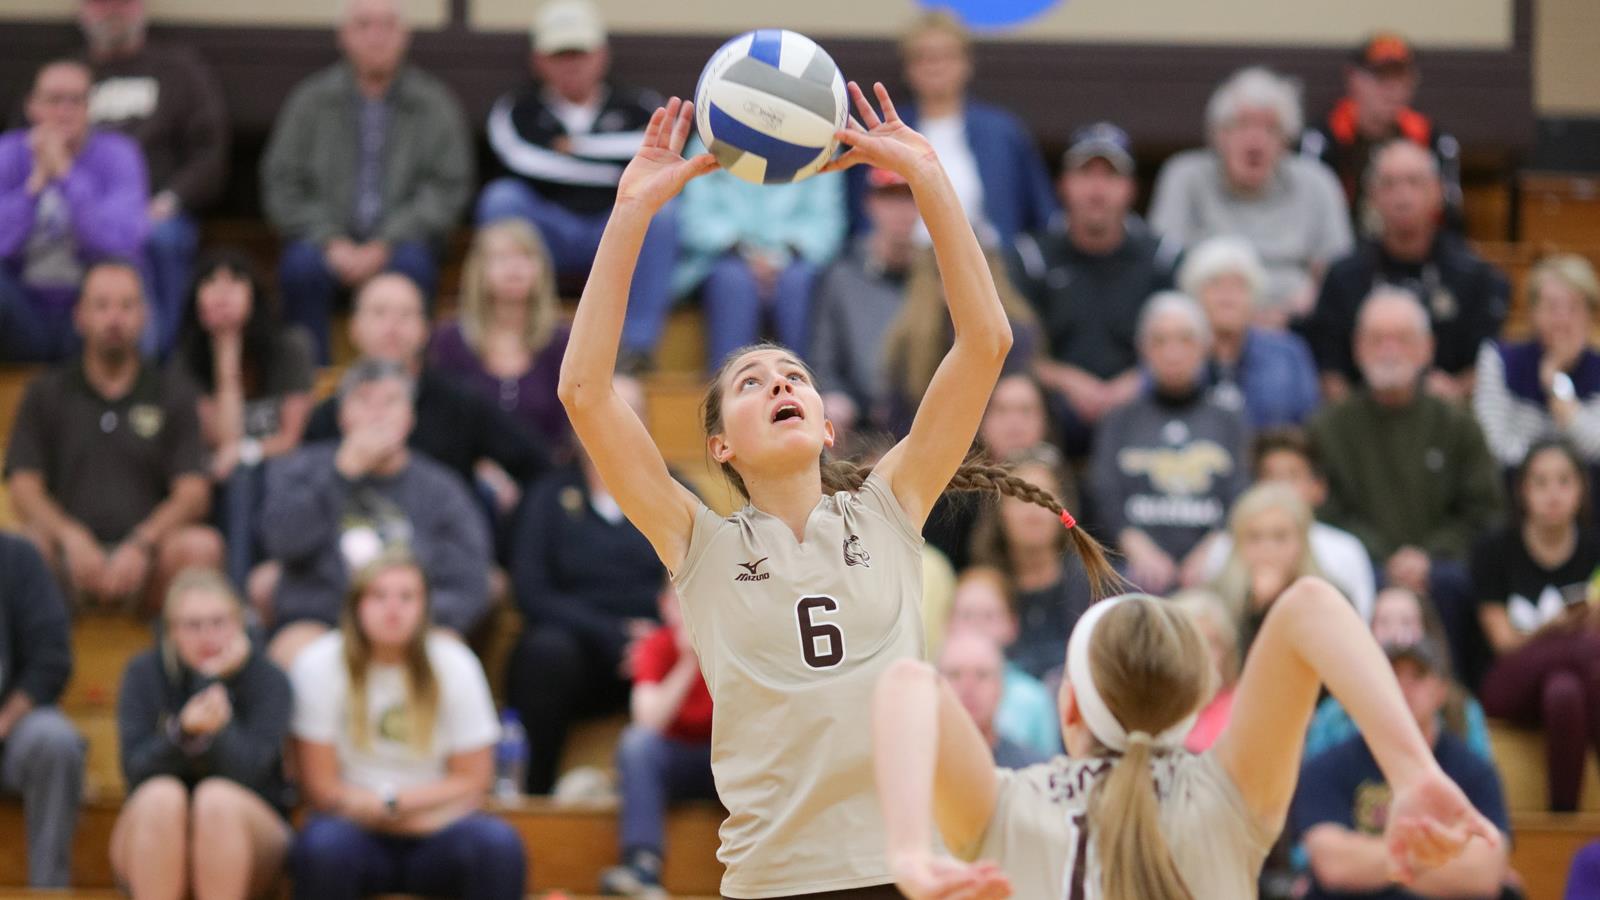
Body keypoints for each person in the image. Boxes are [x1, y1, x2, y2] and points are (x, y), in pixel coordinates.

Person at [558, 87, 1115, 899]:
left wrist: (929, 179)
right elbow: (586, 393)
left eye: (796, 375)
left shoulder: (891, 504)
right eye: (752, 381)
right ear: (720, 445)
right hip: (773, 880)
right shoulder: (697, 542)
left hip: (907, 872)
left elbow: (988, 341)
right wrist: (631, 215)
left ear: (824, 426)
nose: (780, 381)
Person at [872, 578, 1501, 899]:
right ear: (1195, 703)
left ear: (1069, 706)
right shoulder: (1228, 794)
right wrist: (1413, 771)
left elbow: (906, 682)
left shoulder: (1004, 805)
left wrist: (905, 852)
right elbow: (1310, 603)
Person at [288, 552, 526, 900]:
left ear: (425, 606)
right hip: (353, 831)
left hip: (437, 833)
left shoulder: (455, 664)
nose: (393, 609)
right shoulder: (319, 664)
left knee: (498, 845)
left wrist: (391, 803)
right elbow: (321, 789)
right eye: (379, 596)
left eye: (406, 596)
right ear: (356, 604)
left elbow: (474, 781)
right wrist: (395, 811)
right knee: (321, 847)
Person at [1310, 288, 1504, 686]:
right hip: (1363, 565)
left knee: (1455, 584)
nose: (1388, 349)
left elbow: (1484, 511)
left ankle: (1453, 704)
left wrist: (1429, 556)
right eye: (1376, 338)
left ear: (1426, 348)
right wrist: (1385, 557)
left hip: (1441, 569)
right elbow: (1325, 511)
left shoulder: (1458, 426)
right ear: (1357, 348)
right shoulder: (1328, 428)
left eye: (1402, 338)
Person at [261, 0, 473, 361]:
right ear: (343, 36)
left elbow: (448, 187)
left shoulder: (434, 104)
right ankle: (312, 385)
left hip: (401, 244)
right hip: (324, 243)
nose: (376, 37)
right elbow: (282, 184)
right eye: (363, 25)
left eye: (387, 26)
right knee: (299, 269)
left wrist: (386, 242)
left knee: (414, 267)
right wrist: (330, 240)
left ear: (404, 36)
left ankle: (406, 383)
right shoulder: (310, 102)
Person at [5, 261, 222, 609]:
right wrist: (69, 538)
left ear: (145, 316)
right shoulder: (46, 392)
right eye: (102, 306)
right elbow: (23, 485)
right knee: (23, 546)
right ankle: (36, 656)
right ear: (79, 316)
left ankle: (176, 657)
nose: (114, 318)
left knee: (200, 545)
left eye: (126, 305)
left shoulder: (173, 392)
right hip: (67, 563)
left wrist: (142, 543)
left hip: (148, 564)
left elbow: (194, 493)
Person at [476, 0, 673, 372]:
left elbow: (659, 161)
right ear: (539, 60)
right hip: (547, 232)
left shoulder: (642, 107)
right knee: (501, 200)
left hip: (614, 229)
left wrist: (571, 151)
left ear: (601, 55)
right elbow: (522, 160)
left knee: (663, 215)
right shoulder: (516, 110)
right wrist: (611, 162)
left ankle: (637, 349)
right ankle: (518, 336)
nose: (571, 63)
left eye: (579, 52)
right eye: (559, 53)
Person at [256, 359, 491, 669]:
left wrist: (405, 619)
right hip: (323, 623)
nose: (377, 413)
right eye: (364, 400)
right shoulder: (300, 469)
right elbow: (282, 542)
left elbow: (470, 581)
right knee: (292, 652)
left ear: (410, 417)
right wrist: (341, 474)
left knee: (453, 657)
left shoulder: (441, 488)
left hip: (415, 627)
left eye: (391, 401)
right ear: (341, 415)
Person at [505, 376, 666, 793]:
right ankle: (537, 792)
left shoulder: (673, 492)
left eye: (628, 409)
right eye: (601, 407)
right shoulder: (548, 496)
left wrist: (660, 641)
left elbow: (700, 580)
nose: (614, 420)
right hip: (579, 656)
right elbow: (532, 591)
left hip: (659, 653)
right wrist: (611, 633)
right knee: (546, 651)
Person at [302, 273, 547, 518]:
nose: (392, 327)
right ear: (353, 328)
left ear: (425, 330)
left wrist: (507, 536)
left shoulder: (460, 404)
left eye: (406, 315)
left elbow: (538, 466)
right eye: (379, 313)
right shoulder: (326, 417)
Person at [112, 569, 292, 899]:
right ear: (170, 632)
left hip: (250, 834)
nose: (208, 636)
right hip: (156, 836)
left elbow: (253, 774)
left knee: (216, 800)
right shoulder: (143, 673)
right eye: (192, 625)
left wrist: (211, 691)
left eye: (219, 622)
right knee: (161, 797)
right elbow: (135, 773)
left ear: (240, 624)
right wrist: (182, 733)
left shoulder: (268, 680)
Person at [1292, 637, 1509, 900]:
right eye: (1392, 675)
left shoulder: (1474, 770)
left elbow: (1484, 874)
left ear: (1441, 690)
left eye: (1417, 675)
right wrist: (1437, 855)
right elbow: (1334, 866)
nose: (1404, 688)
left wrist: (1376, 865)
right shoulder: (1327, 765)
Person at [1013, 122, 1176, 454]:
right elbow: (1014, 351)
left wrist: (1136, 382)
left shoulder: (1160, 258)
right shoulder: (1032, 257)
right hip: (1053, 413)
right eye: (1086, 174)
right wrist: (1067, 381)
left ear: (1131, 189)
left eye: (1110, 176)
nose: (1097, 190)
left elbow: (1182, 345)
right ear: (1063, 184)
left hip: (1141, 407)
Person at [1305, 140, 1508, 402]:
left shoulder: (1474, 276)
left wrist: (1457, 390)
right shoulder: (1343, 276)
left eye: (1414, 182)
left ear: (1437, 192)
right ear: (1373, 197)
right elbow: (1328, 371)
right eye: (1389, 184)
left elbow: (1489, 364)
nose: (1402, 196)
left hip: (1446, 417)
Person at [79, 0, 229, 353]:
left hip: (158, 211)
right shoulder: (67, 73)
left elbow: (210, 153)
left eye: (123, 3)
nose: (113, 11)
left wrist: (169, 200)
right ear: (82, 10)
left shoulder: (180, 69)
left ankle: (161, 364)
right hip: (80, 212)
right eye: (101, 4)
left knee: (161, 239)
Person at [1149, 66, 1352, 320]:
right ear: (1218, 135)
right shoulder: (1185, 176)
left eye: (1270, 128)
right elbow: (1163, 262)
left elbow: (1338, 270)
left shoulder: (1317, 183)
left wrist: (1294, 312)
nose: (1255, 141)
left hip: (1297, 324)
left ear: (1286, 141)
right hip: (1205, 322)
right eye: (1242, 125)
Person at [1090, 291, 1252, 595]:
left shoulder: (1229, 420)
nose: (1172, 352)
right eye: (1159, 341)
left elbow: (1240, 494)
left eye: (1185, 339)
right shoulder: (1119, 420)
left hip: (1212, 562)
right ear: (1143, 350)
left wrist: (1213, 550)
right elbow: (1104, 494)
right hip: (1134, 565)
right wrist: (1136, 547)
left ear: (1205, 347)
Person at [172, 250, 315, 587]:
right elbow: (220, 441)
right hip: (222, 480)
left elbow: (290, 438)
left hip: (279, 471)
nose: (222, 292)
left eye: (235, 280)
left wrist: (246, 452)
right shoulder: (184, 362)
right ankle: (236, 593)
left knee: (244, 474)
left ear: (255, 293)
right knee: (233, 478)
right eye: (210, 282)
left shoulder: (290, 347)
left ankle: (241, 592)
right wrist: (226, 352)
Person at [1472, 439, 1600, 811]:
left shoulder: (1595, 548)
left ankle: (1562, 824)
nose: (1552, 495)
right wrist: (1553, 627)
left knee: (1564, 693)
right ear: (1523, 491)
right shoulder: (1494, 549)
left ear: (1581, 489)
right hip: (1509, 682)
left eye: (1563, 482)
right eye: (1540, 483)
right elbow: (1503, 643)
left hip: (1578, 686)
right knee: (1587, 653)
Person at [0, 58, 147, 362]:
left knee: (128, 280)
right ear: (31, 106)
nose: (65, 110)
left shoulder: (120, 154)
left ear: (89, 107)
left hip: (87, 307)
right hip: (21, 306)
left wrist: (66, 176)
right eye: (54, 99)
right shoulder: (7, 153)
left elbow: (118, 246)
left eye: (76, 100)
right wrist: (34, 187)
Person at [890, 11, 1055, 249]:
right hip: (904, 269)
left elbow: (1041, 214)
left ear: (967, 63)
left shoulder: (1003, 132)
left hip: (988, 267)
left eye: (946, 56)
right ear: (908, 68)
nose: (935, 66)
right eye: (922, 57)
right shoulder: (887, 131)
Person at [674, 146, 846, 371]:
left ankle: (807, 391)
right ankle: (725, 394)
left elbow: (827, 225)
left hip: (797, 263)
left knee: (796, 283)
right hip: (724, 258)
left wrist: (780, 258)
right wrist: (744, 252)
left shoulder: (823, 138)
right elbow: (695, 218)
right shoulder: (711, 130)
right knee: (733, 282)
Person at [599, 584, 716, 898]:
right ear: (665, 606)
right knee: (637, 744)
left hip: (727, 762)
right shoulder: (656, 645)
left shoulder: (732, 647)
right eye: (681, 605)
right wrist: (689, 662)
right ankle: (642, 866)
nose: (689, 615)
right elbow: (647, 721)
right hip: (673, 762)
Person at [427, 219, 572, 455]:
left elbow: (569, 433)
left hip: (546, 474)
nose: (514, 268)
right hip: (466, 476)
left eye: (525, 257)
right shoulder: (449, 339)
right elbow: (443, 421)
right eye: (502, 258)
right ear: (479, 271)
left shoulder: (562, 341)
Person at [1304, 586, 1494, 764]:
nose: (1395, 633)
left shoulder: (1460, 709)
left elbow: (1481, 781)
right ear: (1368, 633)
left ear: (1427, 632)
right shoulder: (1337, 713)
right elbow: (1313, 781)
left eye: (1406, 622)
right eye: (1384, 622)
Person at [1201, 428, 1377, 619]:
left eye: (1280, 536)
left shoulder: (1344, 553)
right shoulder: (1221, 553)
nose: (1280, 486)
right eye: (1254, 537)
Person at [1300, 33, 1463, 226]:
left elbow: (1451, 216)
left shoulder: (1433, 139)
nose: (1392, 88)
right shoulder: (1323, 139)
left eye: (1400, 77)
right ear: (1353, 79)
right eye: (1380, 76)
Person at [810, 166, 919, 443]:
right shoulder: (842, 276)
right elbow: (823, 357)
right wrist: (836, 394)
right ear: (870, 204)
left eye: (909, 198)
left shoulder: (938, 274)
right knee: (831, 410)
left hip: (924, 410)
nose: (900, 210)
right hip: (862, 414)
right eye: (889, 198)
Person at [882, 247, 1040, 436]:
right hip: (927, 445)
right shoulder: (910, 339)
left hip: (994, 446)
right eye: (947, 274)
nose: (960, 284)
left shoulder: (1014, 332)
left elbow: (1017, 402)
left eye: (969, 274)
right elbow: (899, 414)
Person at [0, 531, 83, 889]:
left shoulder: (17, 557)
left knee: (56, 741)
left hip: (11, 729)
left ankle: (48, 890)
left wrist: (4, 721)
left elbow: (51, 658)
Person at [969, 446, 1094, 682]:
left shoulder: (1091, 584)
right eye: (1020, 496)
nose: (1034, 508)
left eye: (1045, 494)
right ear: (999, 511)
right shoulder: (982, 591)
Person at [1179, 236, 1319, 427]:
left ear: (1255, 297)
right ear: (1194, 295)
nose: (1227, 296)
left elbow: (1309, 423)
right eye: (1215, 285)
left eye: (1238, 286)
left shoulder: (1288, 355)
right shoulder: (1175, 351)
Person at [1474, 255, 1600, 469]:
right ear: (1532, 313)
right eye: (1552, 307)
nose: (1562, 319)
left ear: (1590, 315)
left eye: (1574, 307)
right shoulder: (1499, 359)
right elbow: (1491, 445)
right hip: (1513, 494)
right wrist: (1546, 471)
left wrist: (1555, 386)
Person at [945, 567, 1060, 759]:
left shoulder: (1033, 697)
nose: (977, 625)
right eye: (966, 615)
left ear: (1012, 625)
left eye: (989, 616)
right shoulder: (928, 684)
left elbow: (1047, 764)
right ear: (948, 623)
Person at [1209, 482, 1326, 654]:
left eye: (1280, 536)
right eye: (1254, 537)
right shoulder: (1214, 599)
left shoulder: (1329, 597)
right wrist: (1256, 609)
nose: (1267, 550)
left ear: (1302, 542)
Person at [938, 631, 1047, 770]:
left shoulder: (1032, 772)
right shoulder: (913, 767)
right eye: (955, 674)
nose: (968, 687)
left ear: (1001, 687)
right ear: (935, 687)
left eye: (982, 675)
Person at [1170, 588, 1241, 753]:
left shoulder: (1244, 705)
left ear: (1226, 649)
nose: (1202, 654)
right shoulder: (1155, 707)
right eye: (1192, 642)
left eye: (1211, 642)